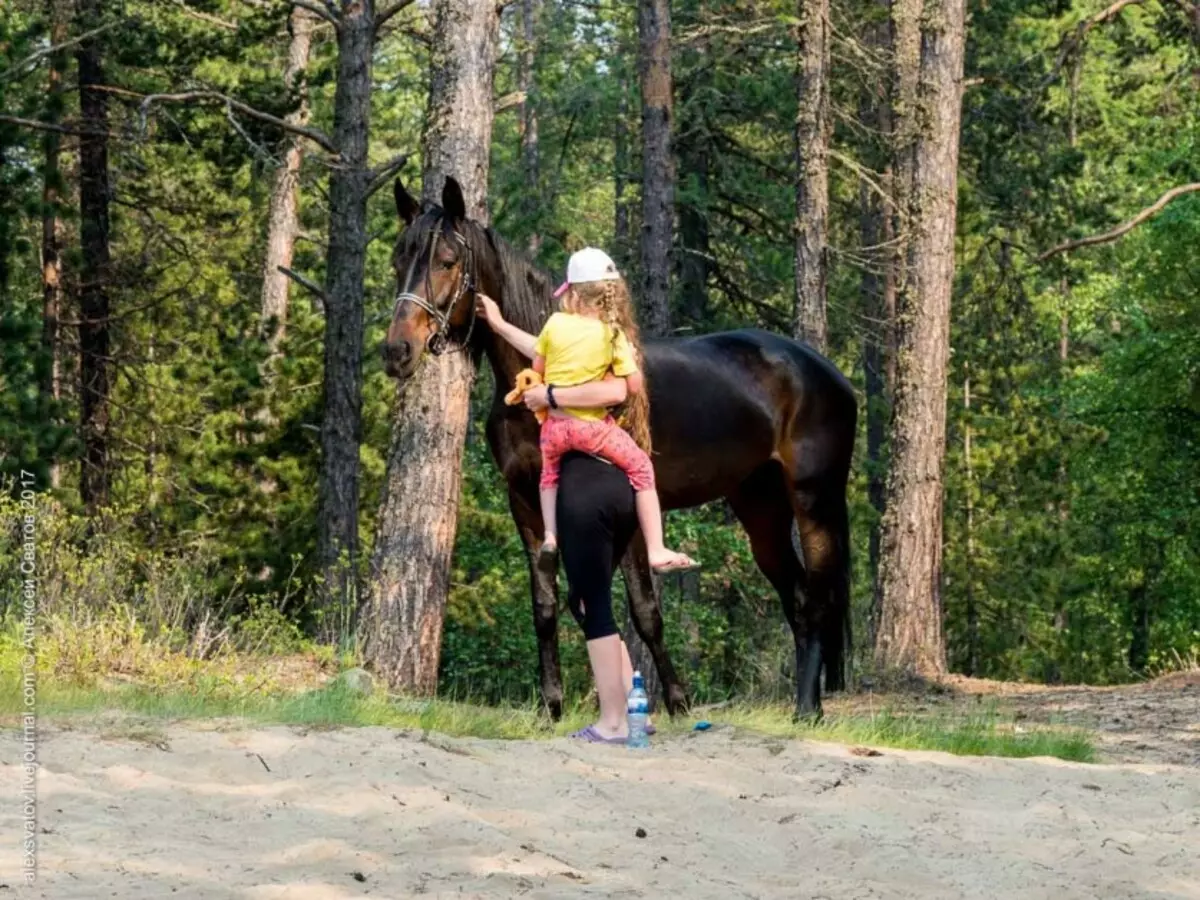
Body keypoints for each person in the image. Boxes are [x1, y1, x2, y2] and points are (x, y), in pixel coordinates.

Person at [484, 247, 696, 574]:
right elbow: (633, 386)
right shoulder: (612, 335)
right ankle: (656, 549)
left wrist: (498, 325)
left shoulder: (554, 324)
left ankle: (551, 537)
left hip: (554, 431)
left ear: (572, 295)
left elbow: (539, 362)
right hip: (591, 431)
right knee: (641, 468)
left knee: (549, 478)